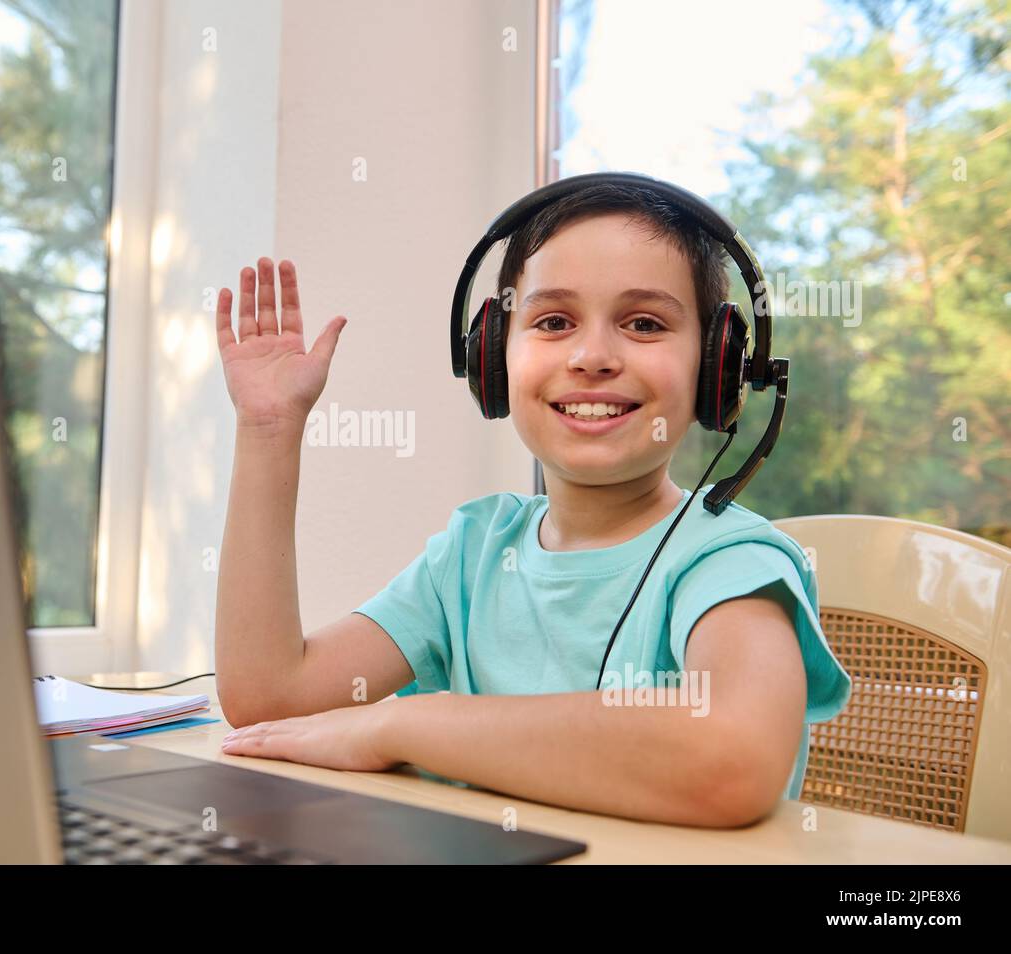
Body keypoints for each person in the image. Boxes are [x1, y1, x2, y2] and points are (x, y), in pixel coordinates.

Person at [213, 183, 850, 828]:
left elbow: (732, 758)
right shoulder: (472, 556)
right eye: (553, 322)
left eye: (645, 324)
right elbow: (271, 699)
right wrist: (269, 430)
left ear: (719, 366)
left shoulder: (731, 564)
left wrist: (406, 724)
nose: (593, 357)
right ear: (491, 357)